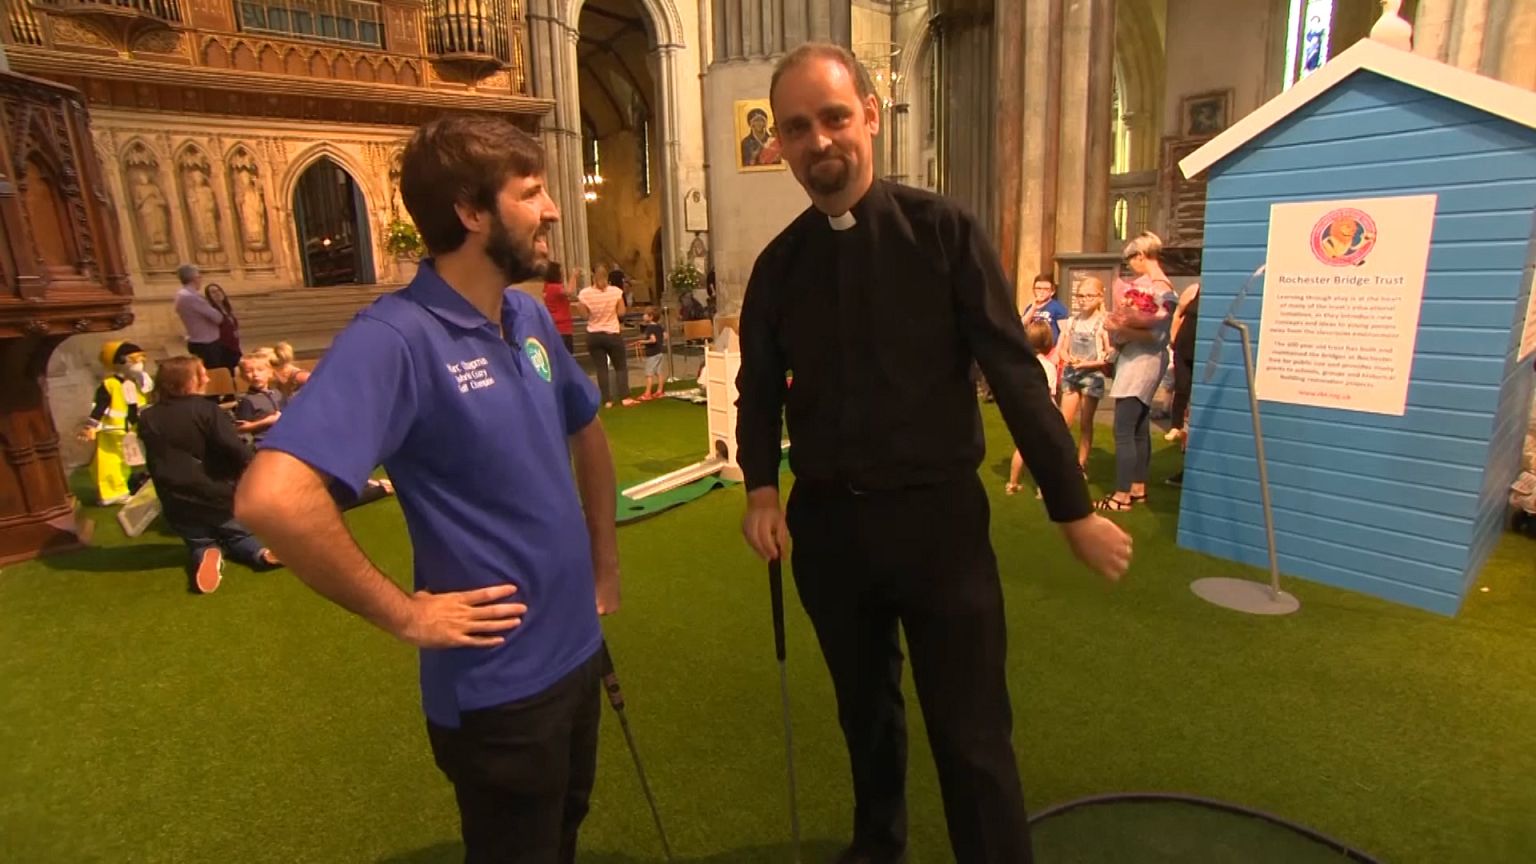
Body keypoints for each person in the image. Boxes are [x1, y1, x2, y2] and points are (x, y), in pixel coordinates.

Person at [735, 43, 1133, 864]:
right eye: (798, 127)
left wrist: (1072, 507)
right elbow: (759, 386)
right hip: (831, 531)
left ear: (871, 117)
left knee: (972, 730)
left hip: (939, 527)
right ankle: (877, 847)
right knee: (864, 715)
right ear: (779, 142)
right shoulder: (778, 267)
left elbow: (1014, 374)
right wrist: (759, 491)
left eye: (836, 117)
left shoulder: (943, 231)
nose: (820, 142)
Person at [234, 115, 620, 864]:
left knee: (564, 837)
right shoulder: (397, 337)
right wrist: (406, 614)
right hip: (499, 691)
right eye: (532, 193)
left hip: (577, 654)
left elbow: (588, 427)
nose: (551, 210)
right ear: (472, 214)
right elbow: (271, 497)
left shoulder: (527, 313)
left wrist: (602, 564)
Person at [139, 355, 280, 594]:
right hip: (216, 488)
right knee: (237, 532)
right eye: (202, 372)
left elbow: (154, 459)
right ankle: (259, 553)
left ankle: (206, 552)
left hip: (175, 496)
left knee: (198, 539)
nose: (207, 377)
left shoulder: (148, 417)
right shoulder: (206, 409)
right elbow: (234, 449)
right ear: (188, 380)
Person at [1097, 232, 1178, 513]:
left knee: (1124, 429)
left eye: (1131, 258)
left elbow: (1155, 336)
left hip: (1141, 363)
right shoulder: (1163, 287)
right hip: (1143, 360)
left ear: (1141, 256)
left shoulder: (1159, 290)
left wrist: (1119, 328)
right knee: (1140, 428)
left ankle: (1121, 495)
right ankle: (1138, 487)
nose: (1130, 265)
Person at [77, 340, 153, 505]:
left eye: (141, 358)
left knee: (126, 459)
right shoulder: (109, 385)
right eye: (133, 359)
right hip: (113, 429)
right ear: (119, 362)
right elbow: (99, 407)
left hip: (130, 428)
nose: (139, 363)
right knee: (111, 461)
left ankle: (120, 487)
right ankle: (113, 492)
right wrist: (91, 426)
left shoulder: (136, 381)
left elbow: (143, 401)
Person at [1059, 277, 1113, 474]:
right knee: (1064, 422)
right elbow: (1062, 349)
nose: (1084, 299)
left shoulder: (1103, 323)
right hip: (1072, 373)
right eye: (1080, 295)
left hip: (1092, 375)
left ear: (1100, 297)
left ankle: (1081, 465)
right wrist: (1068, 357)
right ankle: (1062, 462)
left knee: (1085, 422)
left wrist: (1090, 363)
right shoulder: (1072, 321)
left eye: (1089, 295)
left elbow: (1109, 353)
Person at [1005, 321, 1059, 496]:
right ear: (1047, 342)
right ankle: (1042, 488)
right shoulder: (1048, 366)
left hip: (1023, 412)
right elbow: (1050, 392)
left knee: (1023, 447)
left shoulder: (1020, 365)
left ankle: (1012, 483)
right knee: (1046, 452)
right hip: (1042, 413)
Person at [578, 269, 636, 408]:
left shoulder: (585, 294)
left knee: (601, 368)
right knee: (620, 366)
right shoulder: (615, 292)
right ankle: (625, 397)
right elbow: (622, 312)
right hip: (612, 333)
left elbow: (584, 316)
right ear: (607, 278)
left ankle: (607, 400)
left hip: (594, 334)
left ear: (593, 278)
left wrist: (595, 314)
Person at [174, 264, 235, 371]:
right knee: (216, 375)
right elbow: (218, 318)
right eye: (199, 277)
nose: (200, 280)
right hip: (207, 344)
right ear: (194, 278)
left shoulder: (181, 294)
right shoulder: (191, 297)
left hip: (198, 340)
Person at [233, 353, 285, 444]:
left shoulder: (278, 394)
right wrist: (267, 421)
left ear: (270, 372)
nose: (255, 374)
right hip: (264, 442)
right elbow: (240, 428)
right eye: (249, 371)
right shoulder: (247, 400)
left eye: (260, 370)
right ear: (243, 376)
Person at [1021, 274, 1070, 345]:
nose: (1042, 292)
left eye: (1046, 289)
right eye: (1038, 288)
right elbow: (1023, 325)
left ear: (1052, 291)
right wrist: (1033, 308)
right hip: (1032, 346)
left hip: (1050, 348)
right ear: (1033, 290)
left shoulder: (1058, 307)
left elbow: (1064, 333)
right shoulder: (1030, 307)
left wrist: (1057, 351)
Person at [543, 261, 579, 354]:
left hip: (552, 328)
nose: (562, 274)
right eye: (561, 271)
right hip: (562, 329)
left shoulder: (546, 287)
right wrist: (574, 276)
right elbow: (569, 292)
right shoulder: (555, 287)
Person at [206, 283, 243, 361]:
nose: (217, 293)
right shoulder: (212, 311)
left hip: (234, 345)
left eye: (218, 290)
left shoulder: (227, 308)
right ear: (209, 296)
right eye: (213, 292)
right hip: (223, 348)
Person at [638, 308, 666, 400]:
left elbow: (652, 340)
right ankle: (660, 391)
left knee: (649, 374)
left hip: (652, 353)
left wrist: (642, 341)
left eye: (645, 314)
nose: (643, 316)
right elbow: (666, 336)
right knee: (659, 372)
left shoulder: (649, 328)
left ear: (651, 317)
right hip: (659, 352)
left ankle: (647, 393)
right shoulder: (659, 326)